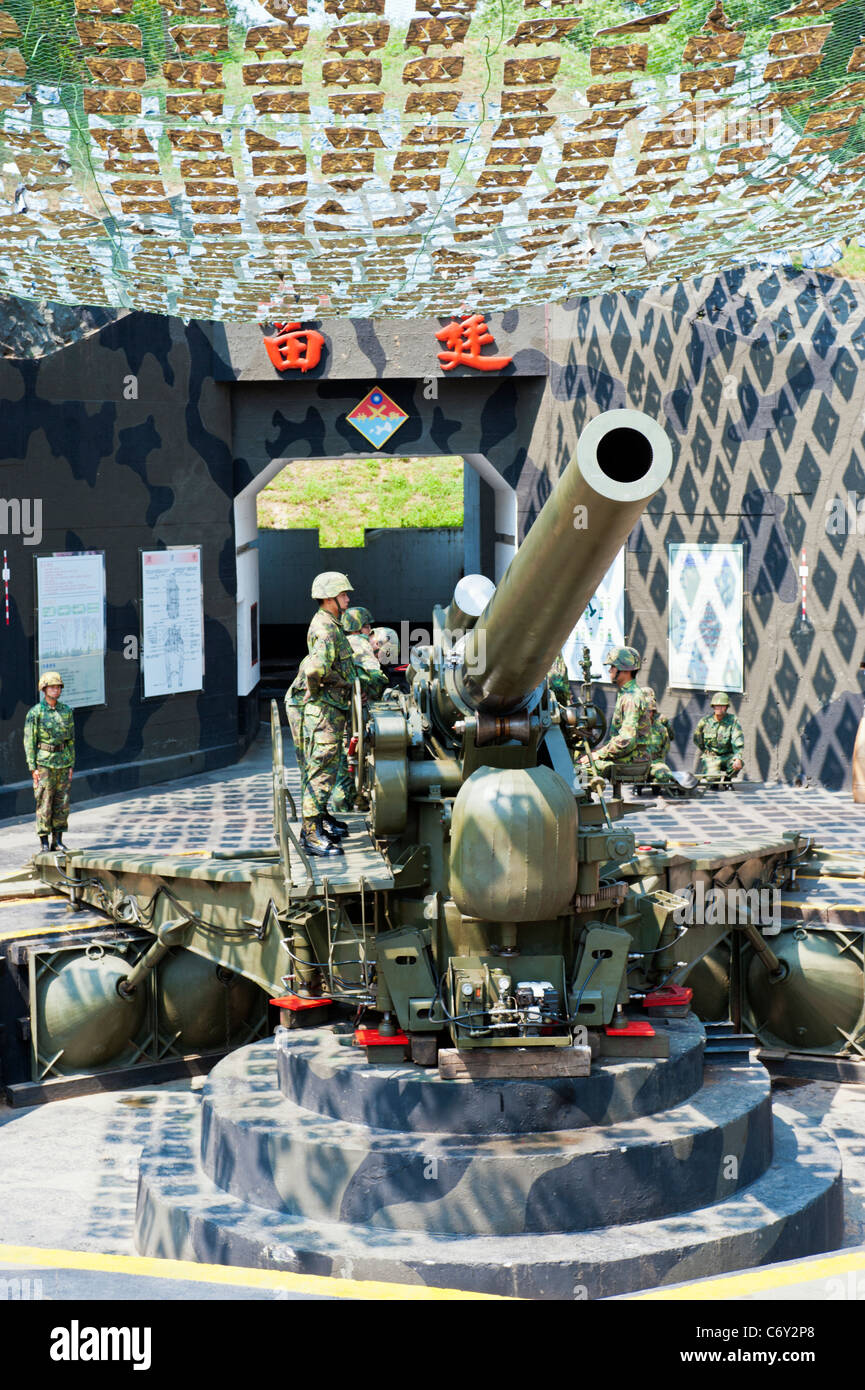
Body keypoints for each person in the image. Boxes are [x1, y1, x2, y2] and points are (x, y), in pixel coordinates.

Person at [285, 572, 357, 857]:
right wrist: (319, 694)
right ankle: (311, 835)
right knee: (321, 768)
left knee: (325, 767)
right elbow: (315, 670)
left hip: (327, 708)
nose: (348, 599)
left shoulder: (329, 623)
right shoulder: (327, 629)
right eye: (343, 595)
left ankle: (319, 820)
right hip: (324, 711)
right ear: (329, 599)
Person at [332, 606, 387, 813]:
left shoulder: (340, 642)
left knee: (343, 761)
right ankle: (345, 809)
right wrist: (376, 686)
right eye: (367, 627)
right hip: (351, 714)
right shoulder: (360, 644)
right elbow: (375, 680)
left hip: (336, 710)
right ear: (362, 628)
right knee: (353, 759)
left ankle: (345, 806)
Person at [579, 645, 651, 781]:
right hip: (632, 756)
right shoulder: (626, 694)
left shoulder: (630, 698)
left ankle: (580, 801)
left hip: (634, 759)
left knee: (579, 769)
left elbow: (627, 740)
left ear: (624, 670)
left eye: (612, 666)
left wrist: (599, 754)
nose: (610, 670)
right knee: (583, 757)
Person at [23, 671, 75, 852]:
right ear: (44, 689)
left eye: (58, 687)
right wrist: (33, 768)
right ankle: (44, 842)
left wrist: (71, 765)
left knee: (62, 803)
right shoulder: (35, 713)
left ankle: (57, 840)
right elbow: (29, 741)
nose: (56, 690)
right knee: (44, 802)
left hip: (63, 762)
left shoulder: (66, 711)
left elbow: (70, 740)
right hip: (44, 763)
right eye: (52, 687)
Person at [694, 692, 745, 782]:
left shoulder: (733, 720)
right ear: (713, 707)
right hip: (712, 757)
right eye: (716, 706)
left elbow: (737, 739)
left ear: (726, 707)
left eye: (721, 706)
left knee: (736, 764)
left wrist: (738, 757)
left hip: (728, 756)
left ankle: (727, 780)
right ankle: (714, 780)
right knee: (712, 778)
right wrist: (705, 751)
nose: (718, 708)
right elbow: (697, 739)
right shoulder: (705, 721)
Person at [642, 686, 676, 787]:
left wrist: (660, 757)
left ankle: (656, 783)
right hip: (640, 761)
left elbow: (668, 739)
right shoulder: (635, 723)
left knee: (664, 776)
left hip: (656, 759)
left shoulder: (661, 722)